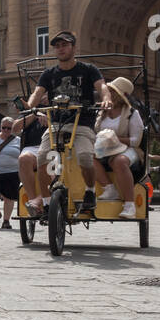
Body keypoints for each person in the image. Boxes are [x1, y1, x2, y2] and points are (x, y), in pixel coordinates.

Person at [25, 30, 112, 214]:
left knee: (85, 157)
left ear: (73, 47)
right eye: (57, 46)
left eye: (64, 45)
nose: (61, 49)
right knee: (42, 158)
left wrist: (106, 98)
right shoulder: (49, 74)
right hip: (56, 125)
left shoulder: (88, 70)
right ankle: (47, 203)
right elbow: (37, 93)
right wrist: (30, 105)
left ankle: (90, 191)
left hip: (81, 124)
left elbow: (102, 86)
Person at [91, 77, 145, 220]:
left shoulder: (132, 114)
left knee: (119, 161)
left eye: (113, 92)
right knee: (85, 156)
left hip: (127, 149)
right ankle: (109, 188)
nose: (109, 95)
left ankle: (129, 204)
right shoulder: (101, 112)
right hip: (103, 149)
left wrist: (114, 139)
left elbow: (136, 140)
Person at [15, 108, 49, 219]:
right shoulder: (30, 110)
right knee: (24, 159)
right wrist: (35, 114)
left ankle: (37, 201)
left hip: (53, 146)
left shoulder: (59, 107)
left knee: (54, 169)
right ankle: (32, 200)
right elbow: (15, 128)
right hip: (33, 147)